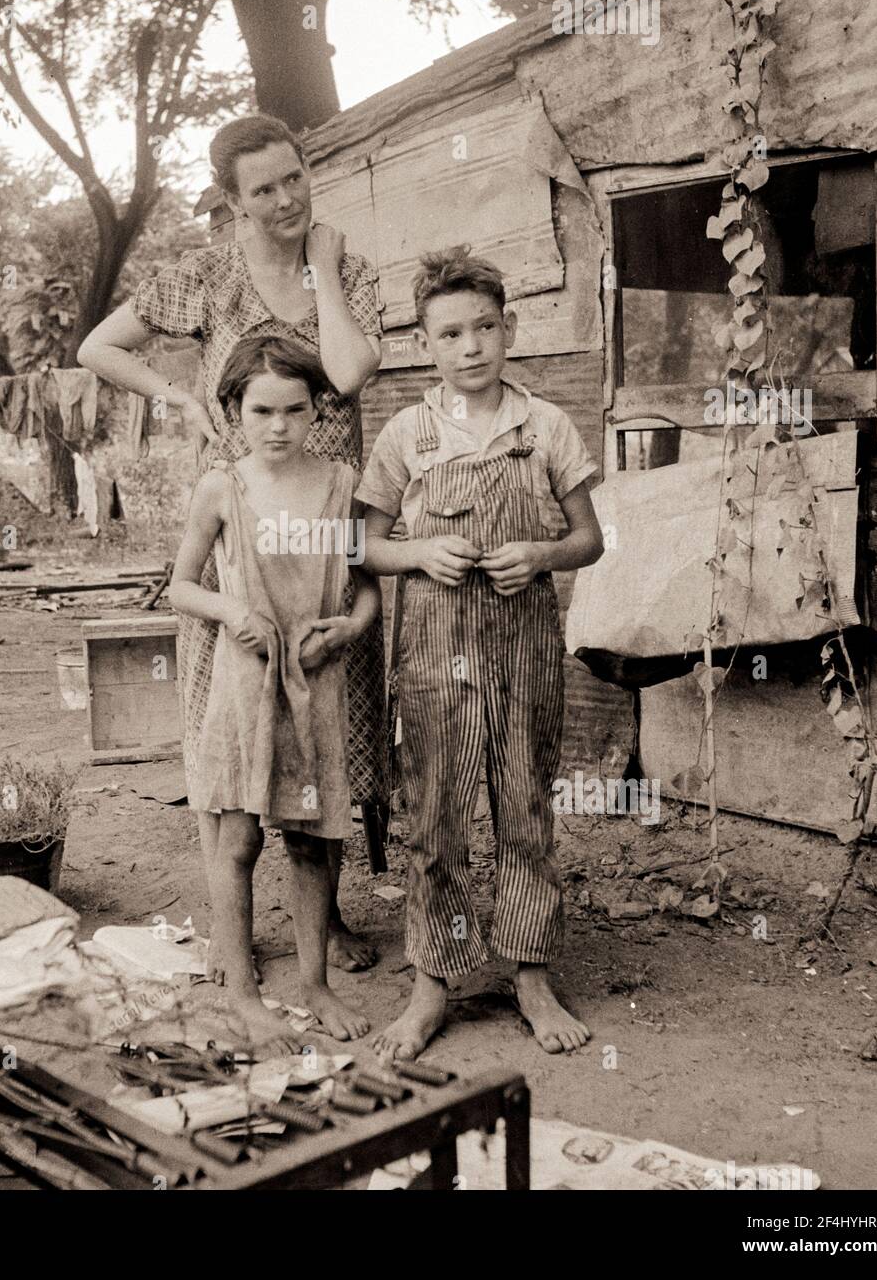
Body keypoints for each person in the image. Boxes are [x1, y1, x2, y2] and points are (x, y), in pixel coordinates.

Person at [77, 114, 386, 979]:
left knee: (332, 716)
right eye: (264, 189)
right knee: (233, 722)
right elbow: (97, 346)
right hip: (240, 524)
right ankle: (232, 929)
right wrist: (177, 398)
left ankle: (329, 924)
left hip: (327, 525)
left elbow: (352, 373)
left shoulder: (349, 269)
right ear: (231, 201)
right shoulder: (206, 277)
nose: (287, 199)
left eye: (295, 178)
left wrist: (318, 265)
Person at [355, 246, 605, 1060]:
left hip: (524, 648)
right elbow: (362, 548)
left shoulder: (546, 427)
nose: (472, 347)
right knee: (433, 815)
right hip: (432, 653)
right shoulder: (408, 433)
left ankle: (530, 972)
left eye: (486, 328)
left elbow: (589, 540)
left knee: (526, 806)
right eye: (452, 333)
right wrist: (418, 554)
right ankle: (434, 983)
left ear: (510, 328)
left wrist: (538, 554)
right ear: (425, 344)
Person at [169, 334, 378, 1051]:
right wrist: (232, 611)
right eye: (262, 411)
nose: (279, 426)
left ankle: (315, 985)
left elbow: (370, 585)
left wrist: (347, 630)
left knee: (313, 841)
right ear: (233, 410)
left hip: (316, 682)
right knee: (238, 837)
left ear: (318, 408)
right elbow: (181, 586)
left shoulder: (339, 483)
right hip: (244, 684)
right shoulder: (222, 488)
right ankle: (246, 995)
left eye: (295, 409)